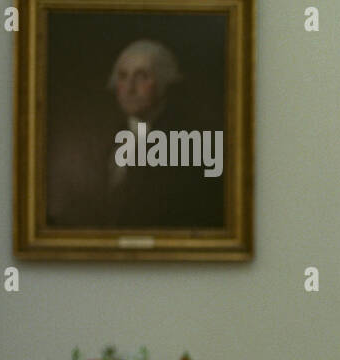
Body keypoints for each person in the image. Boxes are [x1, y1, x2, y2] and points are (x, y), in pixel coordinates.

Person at [46, 38, 225, 229]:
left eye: (142, 77)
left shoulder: (190, 143)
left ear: (164, 82)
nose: (130, 88)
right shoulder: (102, 140)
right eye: (122, 77)